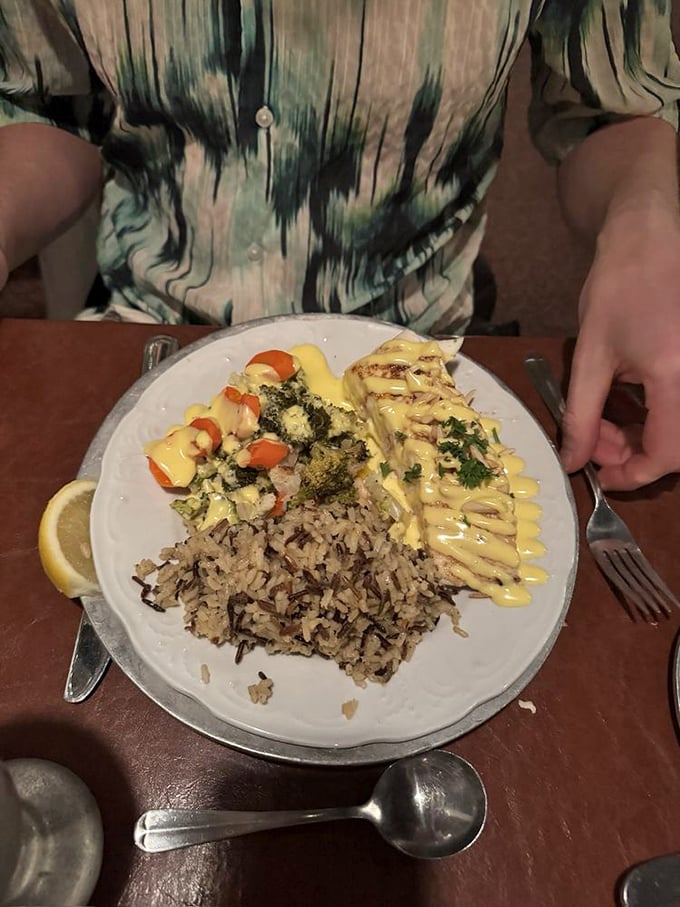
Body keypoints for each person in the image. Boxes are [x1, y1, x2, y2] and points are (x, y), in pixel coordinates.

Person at [1, 1, 679, 492]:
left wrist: (645, 220)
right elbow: (45, 106)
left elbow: (610, 107)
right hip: (148, 339)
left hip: (411, 354)